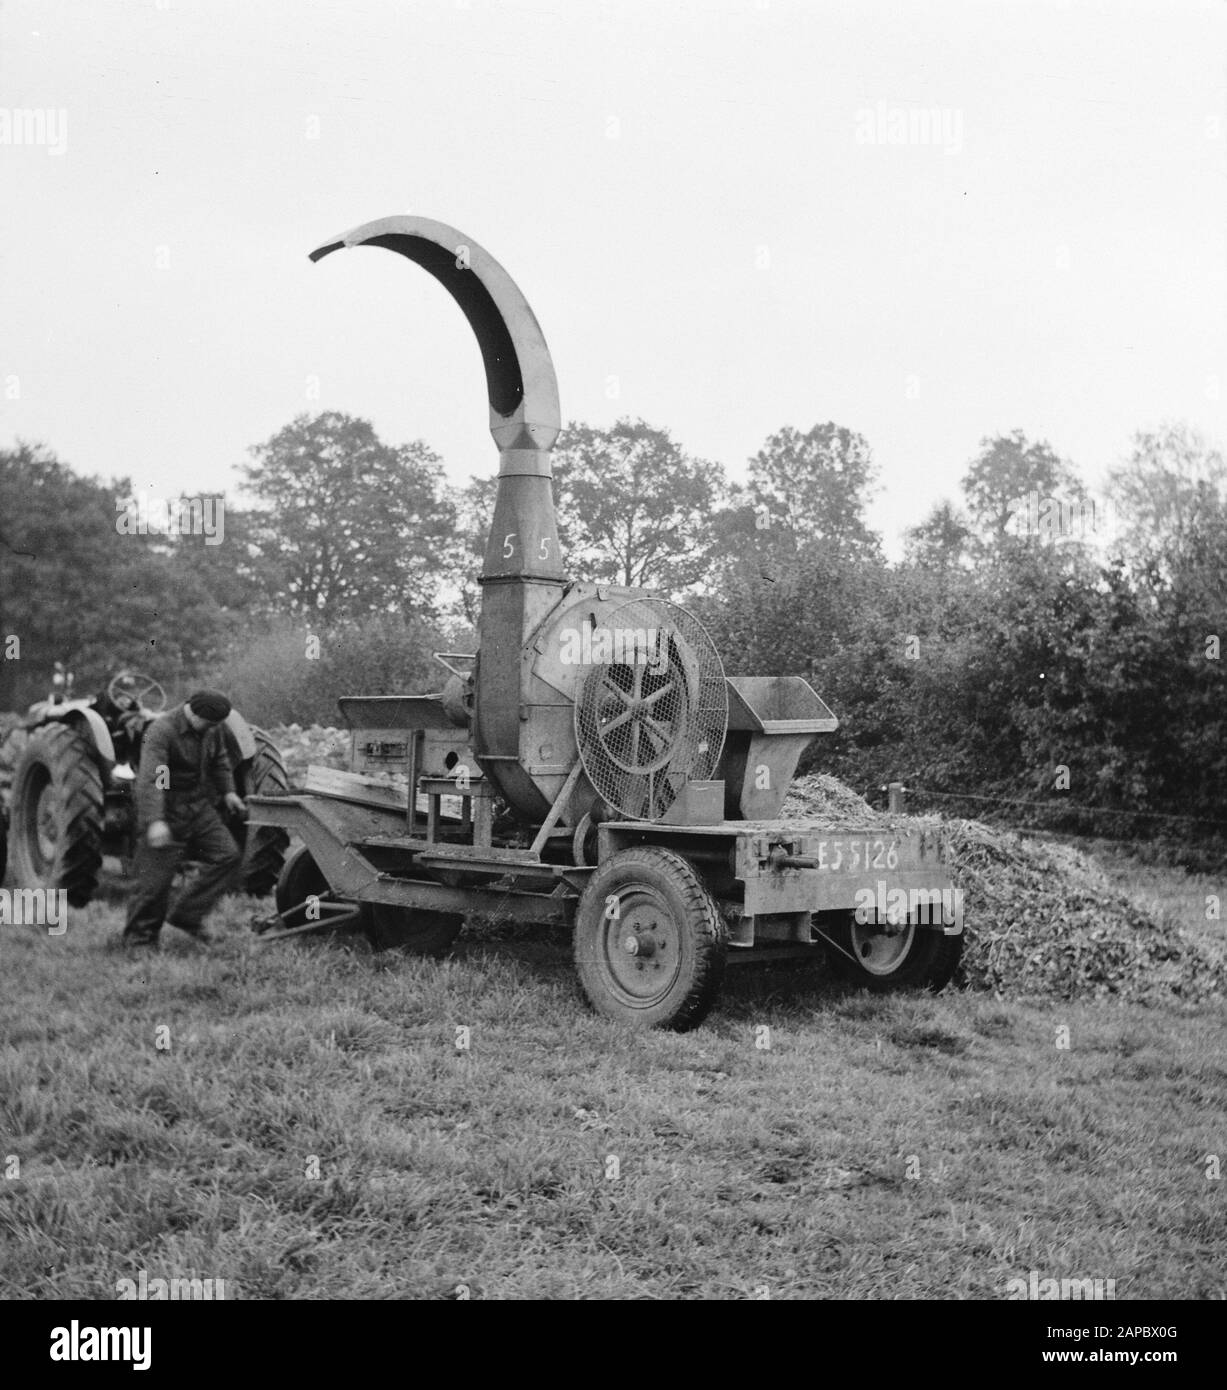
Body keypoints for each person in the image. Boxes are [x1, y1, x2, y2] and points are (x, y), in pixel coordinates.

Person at [123, 689, 246, 951]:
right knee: (153, 883)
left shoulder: (212, 729)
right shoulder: (161, 731)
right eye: (211, 724)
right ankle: (139, 941)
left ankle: (187, 915)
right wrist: (155, 821)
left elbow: (220, 760)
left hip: (198, 807)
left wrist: (229, 792)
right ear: (194, 713)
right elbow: (153, 778)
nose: (214, 729)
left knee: (228, 855)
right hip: (166, 807)